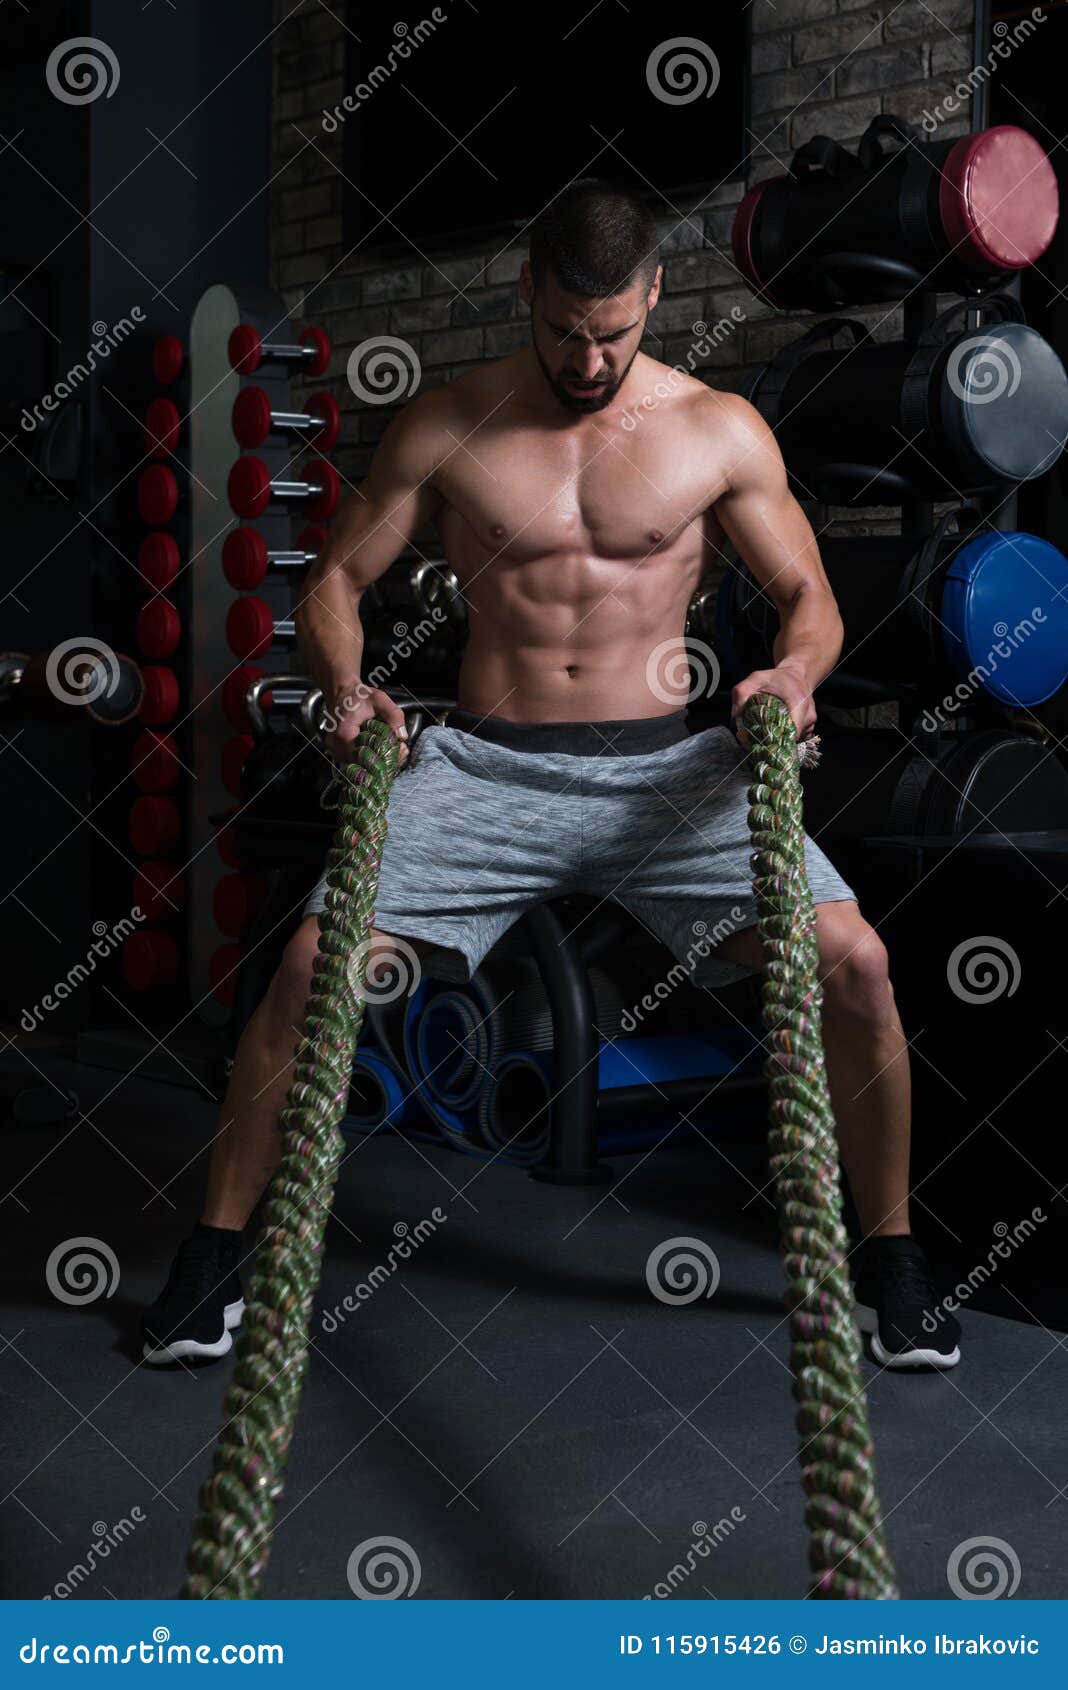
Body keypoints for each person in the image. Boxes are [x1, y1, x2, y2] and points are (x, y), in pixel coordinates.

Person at [141, 177, 960, 1373]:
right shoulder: (448, 423)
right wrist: (348, 688)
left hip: (666, 777)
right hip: (485, 769)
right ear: (530, 292)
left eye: (615, 333)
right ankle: (216, 1261)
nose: (589, 359)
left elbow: (810, 602)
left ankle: (888, 1257)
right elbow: (332, 585)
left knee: (860, 966)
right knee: (315, 967)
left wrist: (790, 678)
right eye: (567, 331)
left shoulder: (718, 429)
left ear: (656, 297)